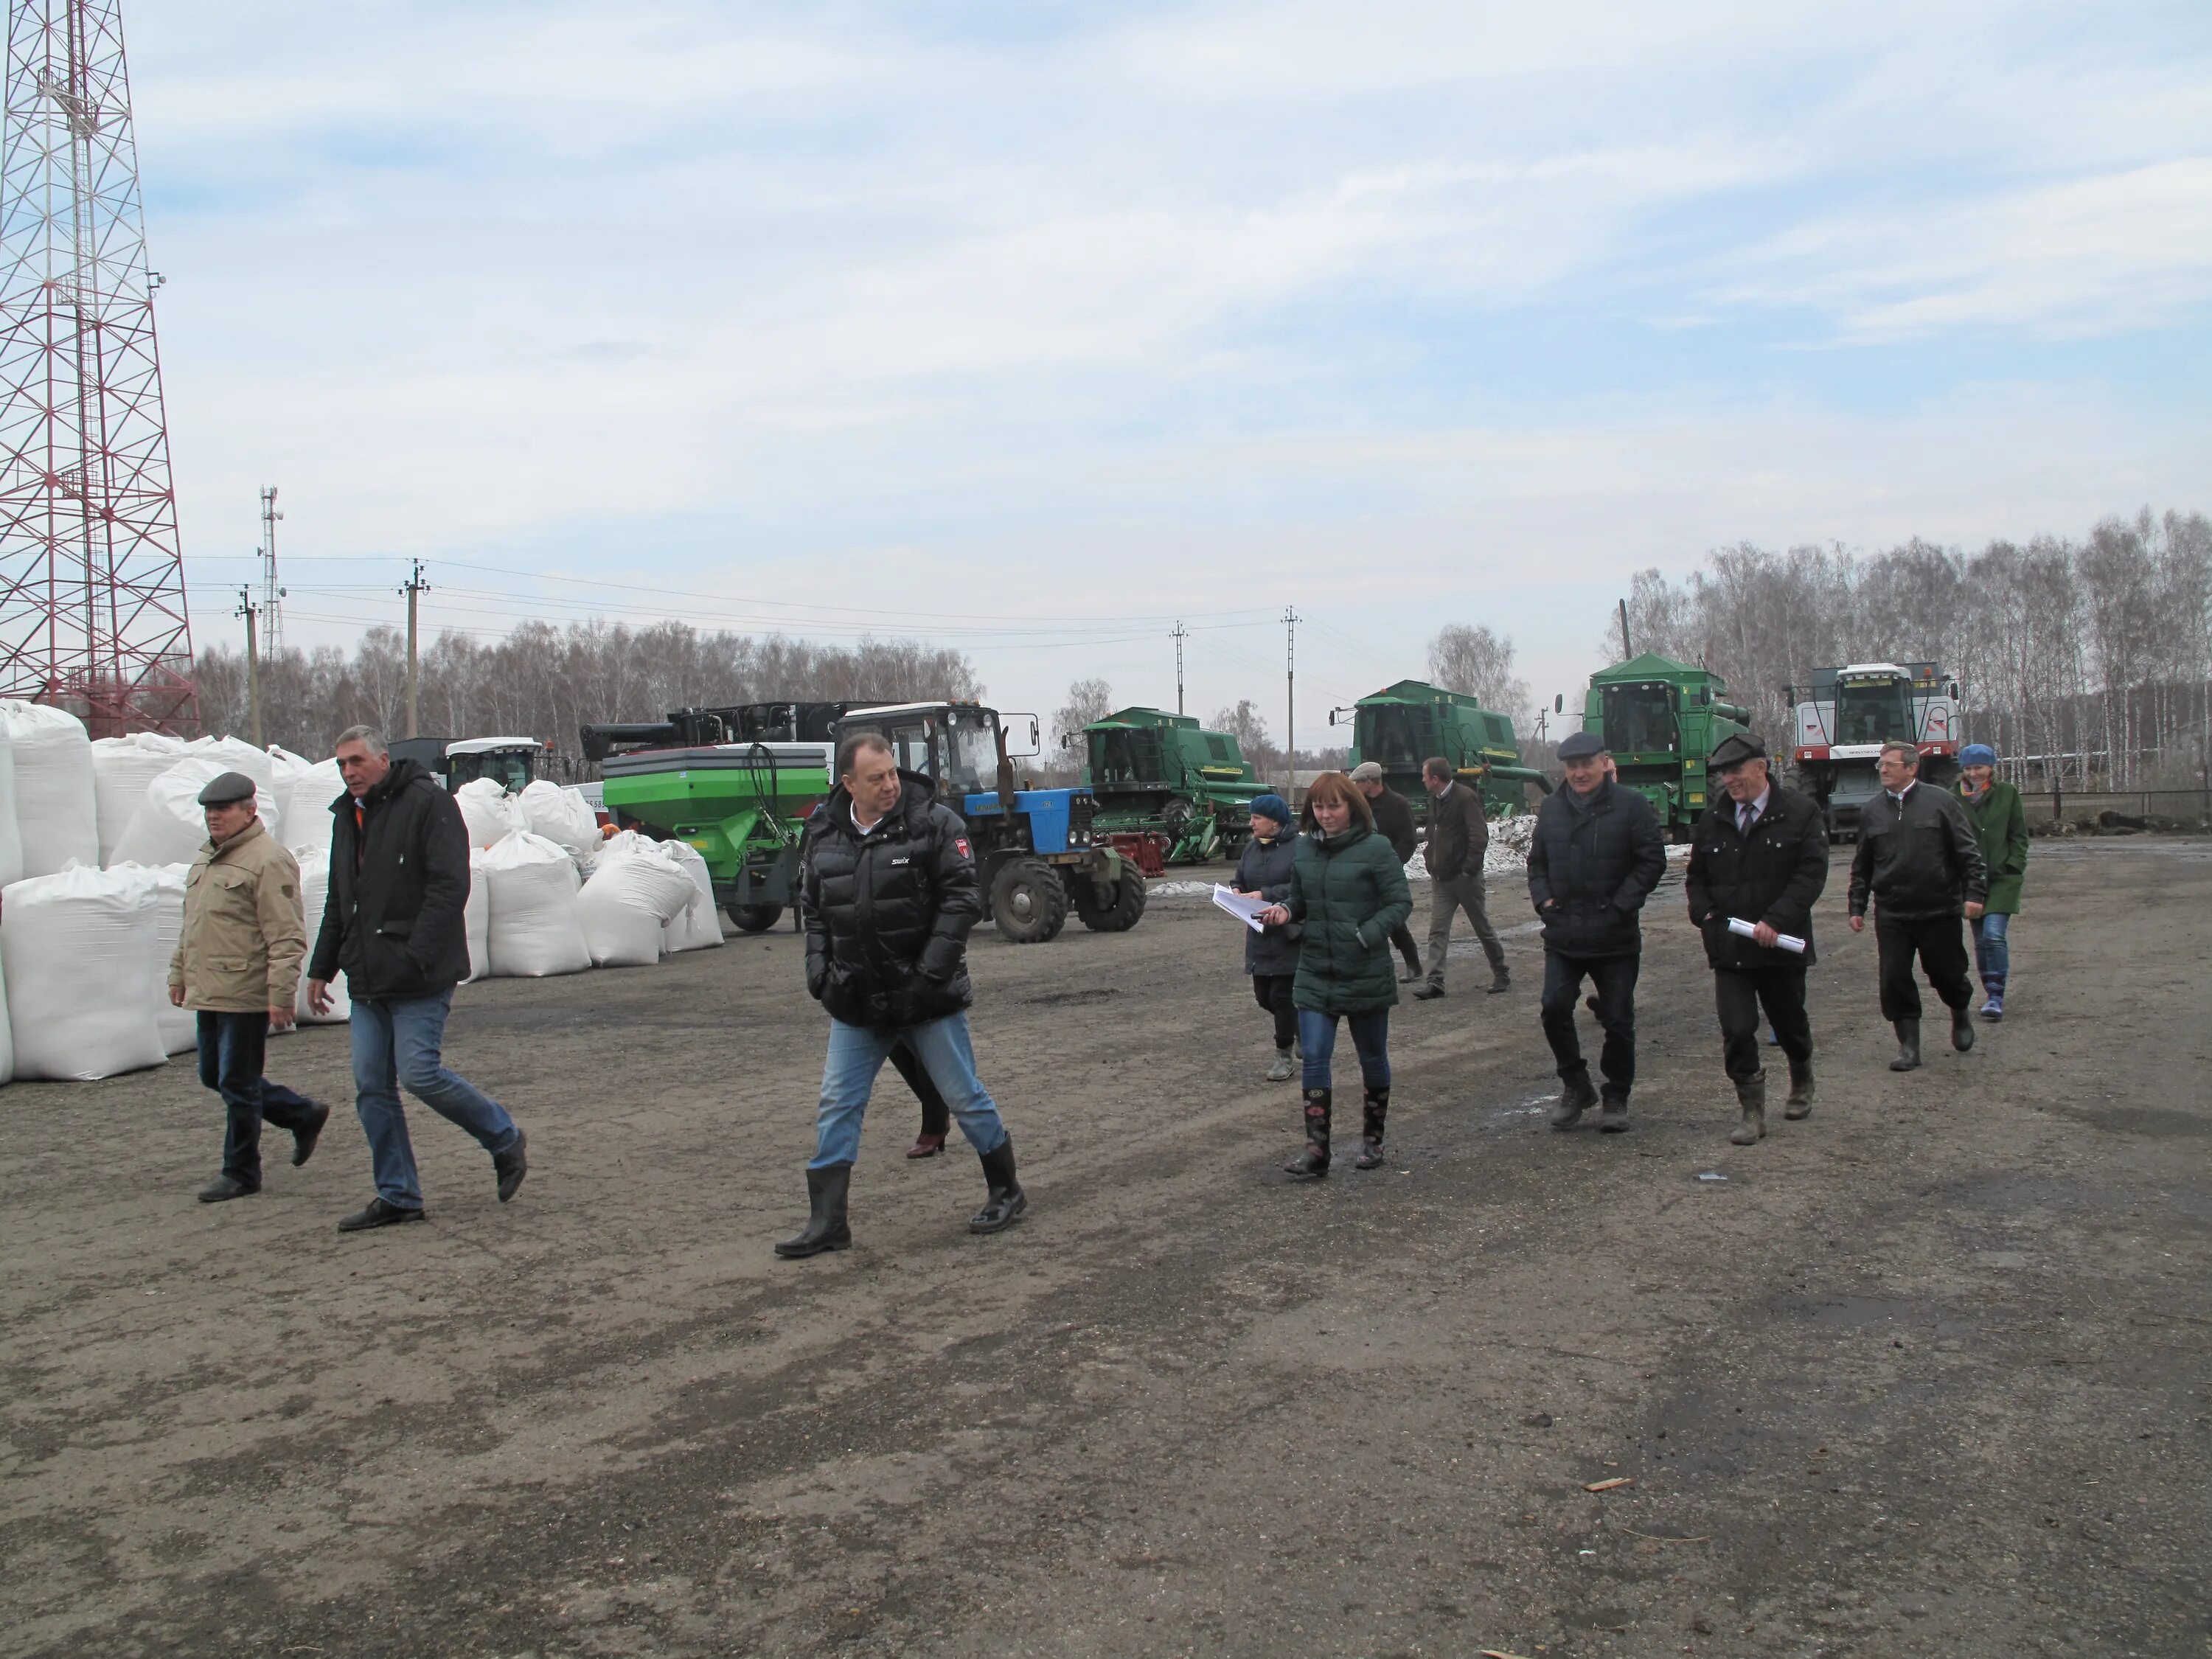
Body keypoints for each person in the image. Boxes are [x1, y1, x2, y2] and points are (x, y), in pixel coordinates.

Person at [777, 731, 1025, 1257]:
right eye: (876, 778)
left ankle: (1006, 1190)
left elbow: (961, 901)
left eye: (892, 772)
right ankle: (828, 1222)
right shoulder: (823, 832)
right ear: (848, 784)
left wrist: (927, 977)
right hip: (855, 999)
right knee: (837, 1103)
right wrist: (820, 973)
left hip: (925, 997)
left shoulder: (935, 824)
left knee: (962, 1096)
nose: (889, 784)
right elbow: (814, 908)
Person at [307, 726, 529, 1231]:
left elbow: (451, 884)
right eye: (342, 765)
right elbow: (340, 900)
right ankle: (399, 1195)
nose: (349, 772)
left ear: (383, 760)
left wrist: (416, 953)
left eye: (357, 761)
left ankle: (503, 1137)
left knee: (419, 1073)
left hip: (419, 972)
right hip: (368, 977)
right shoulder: (347, 818)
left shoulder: (428, 804)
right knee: (371, 1087)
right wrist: (322, 968)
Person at [170, 771, 329, 1203]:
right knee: (213, 1075)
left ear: (250, 810)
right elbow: (193, 926)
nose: (214, 817)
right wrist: (178, 972)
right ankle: (301, 1113)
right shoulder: (207, 859)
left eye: (223, 809)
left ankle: (241, 1172)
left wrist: (280, 995)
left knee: (237, 1081)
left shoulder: (268, 859)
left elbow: (286, 935)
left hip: (245, 989)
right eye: (209, 810)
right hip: (211, 987)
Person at [1256, 773, 1412, 1175]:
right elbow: (1300, 899)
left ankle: (1372, 1142)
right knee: (1315, 1060)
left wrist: (1366, 936)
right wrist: (1286, 911)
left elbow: (1399, 903)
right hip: (1315, 969)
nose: (1325, 814)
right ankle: (1317, 1150)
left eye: (1334, 806)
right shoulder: (1305, 851)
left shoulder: (1377, 849)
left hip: (1364, 970)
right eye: (1319, 807)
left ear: (1352, 807)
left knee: (1372, 1057)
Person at [1683, 734, 1830, 1145]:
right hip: (1730, 948)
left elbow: (1810, 876)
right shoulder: (1714, 820)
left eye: (1736, 771)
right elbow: (1697, 876)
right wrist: (1705, 915)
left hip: (1780, 946)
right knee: (1737, 1027)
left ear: (1761, 768)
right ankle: (1751, 1111)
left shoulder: (1800, 813)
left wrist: (1776, 920)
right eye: (1724, 773)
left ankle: (1801, 1078)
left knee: (1789, 1023)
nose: (1729, 780)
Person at [1526, 730, 1665, 1132]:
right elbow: (1537, 864)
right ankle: (1575, 1084)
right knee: (1554, 1008)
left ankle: (1616, 1096)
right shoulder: (1552, 809)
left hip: (1614, 936)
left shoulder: (1632, 806)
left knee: (1618, 1019)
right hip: (1564, 934)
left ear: (1604, 763)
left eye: (1587, 764)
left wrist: (1621, 906)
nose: (1579, 773)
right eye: (1572, 766)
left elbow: (1651, 861)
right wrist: (1545, 902)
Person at [1846, 740, 1989, 1071]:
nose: (1882, 770)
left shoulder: (1941, 802)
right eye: (1879, 765)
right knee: (1893, 978)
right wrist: (1857, 905)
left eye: (1889, 765)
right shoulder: (1871, 811)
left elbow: (1967, 853)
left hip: (1938, 909)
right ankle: (1909, 1046)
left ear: (1911, 768)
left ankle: (1959, 1011)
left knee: (1947, 974)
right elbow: (1863, 863)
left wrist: (1974, 894)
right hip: (1893, 911)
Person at [1411, 755, 1510, 999]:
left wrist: (1468, 868)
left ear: (1435, 779)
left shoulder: (1466, 798)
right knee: (1437, 930)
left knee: (1481, 927)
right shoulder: (1435, 800)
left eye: (1425, 775)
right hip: (1442, 879)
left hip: (1465, 878)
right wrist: (1429, 858)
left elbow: (1479, 835)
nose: (1422, 780)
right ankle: (1435, 982)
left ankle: (1501, 972)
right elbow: (1435, 834)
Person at [1231, 793, 1302, 1082]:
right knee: (1263, 997)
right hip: (1258, 931)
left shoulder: (1299, 848)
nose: (1251, 823)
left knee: (1281, 996)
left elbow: (1301, 886)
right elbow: (1239, 877)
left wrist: (1266, 895)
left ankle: (1283, 1056)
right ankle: (1301, 1029)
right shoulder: (1251, 848)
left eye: (1256, 818)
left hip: (1288, 933)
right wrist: (1235, 892)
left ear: (1275, 822)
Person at [1955, 743, 2028, 1019]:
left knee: (1994, 935)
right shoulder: (1953, 797)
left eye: (1979, 768)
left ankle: (1997, 994)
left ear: (1991, 768)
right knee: (1980, 940)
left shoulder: (2007, 794)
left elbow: (2019, 834)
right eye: (1968, 768)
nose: (1973, 774)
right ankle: (1989, 991)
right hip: (1970, 881)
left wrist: (2014, 865)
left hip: (2001, 878)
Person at [1349, 762, 1425, 984]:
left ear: (1369, 782)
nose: (1354, 786)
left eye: (1358, 782)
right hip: (1362, 871)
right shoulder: (1361, 806)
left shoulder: (1398, 805)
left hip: (1386, 872)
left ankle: (1413, 965)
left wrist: (1391, 865)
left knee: (1391, 920)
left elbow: (1408, 840)